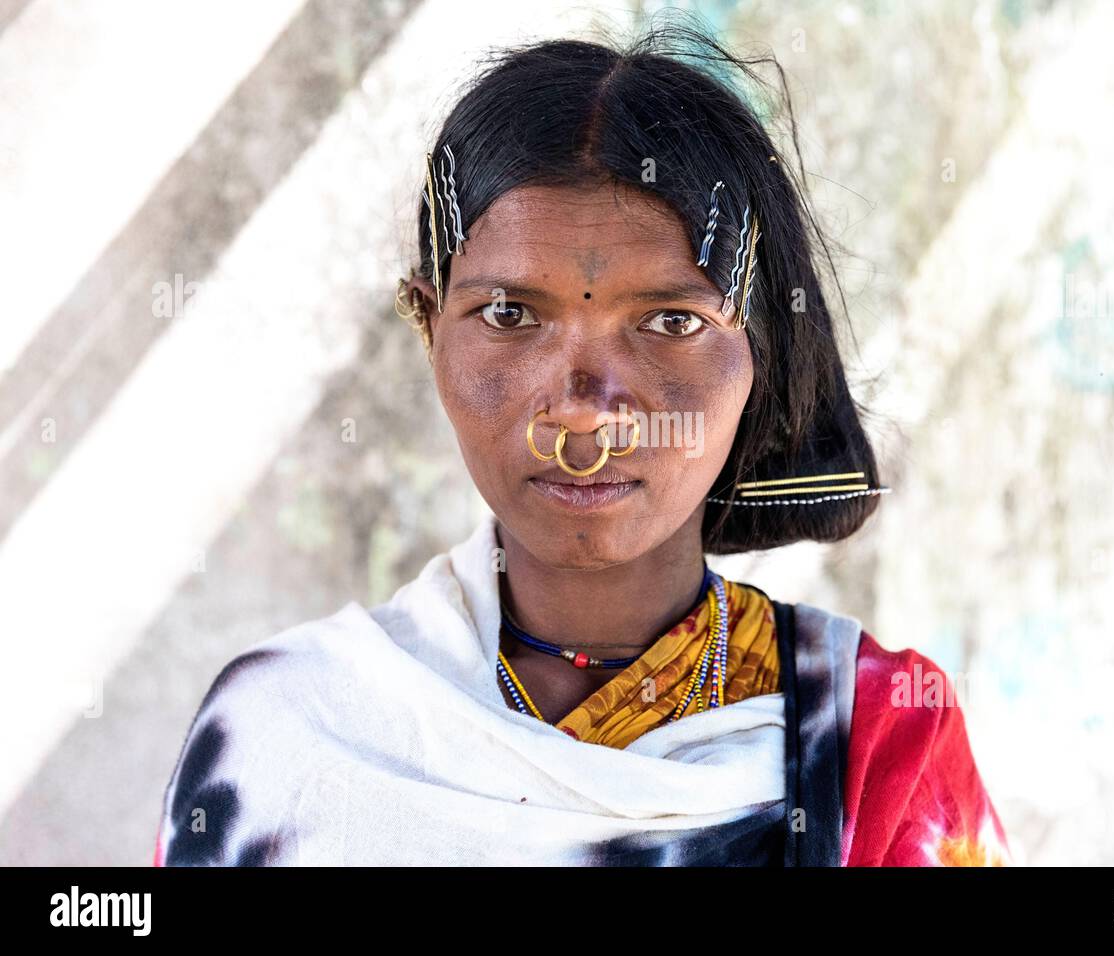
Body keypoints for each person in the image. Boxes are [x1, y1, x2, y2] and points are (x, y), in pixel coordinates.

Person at [153, 24, 1012, 867]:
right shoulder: (285, 733)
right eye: (509, 315)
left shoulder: (875, 743)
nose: (583, 413)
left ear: (760, 353)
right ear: (427, 325)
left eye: (671, 322)